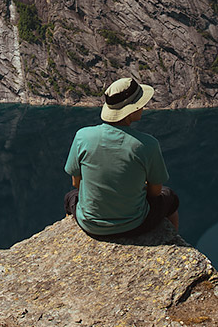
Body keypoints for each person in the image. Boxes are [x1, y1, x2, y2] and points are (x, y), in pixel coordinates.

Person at [64, 75, 180, 237]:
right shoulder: (147, 144)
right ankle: (170, 239)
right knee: (170, 197)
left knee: (70, 197)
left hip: (90, 225)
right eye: (140, 104)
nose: (143, 107)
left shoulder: (82, 136)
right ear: (131, 110)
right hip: (134, 224)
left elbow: (76, 183)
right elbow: (155, 192)